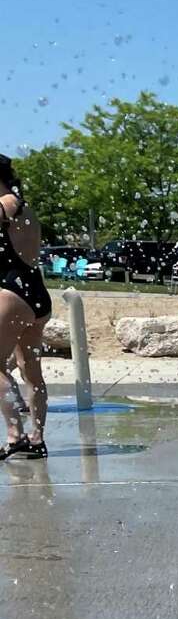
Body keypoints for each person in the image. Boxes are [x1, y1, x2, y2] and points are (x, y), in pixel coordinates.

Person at [0, 154, 52, 461]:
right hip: (35, 292)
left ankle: (15, 436)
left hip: (12, 292)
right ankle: (37, 439)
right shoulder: (24, 206)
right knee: (31, 370)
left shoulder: (6, 203)